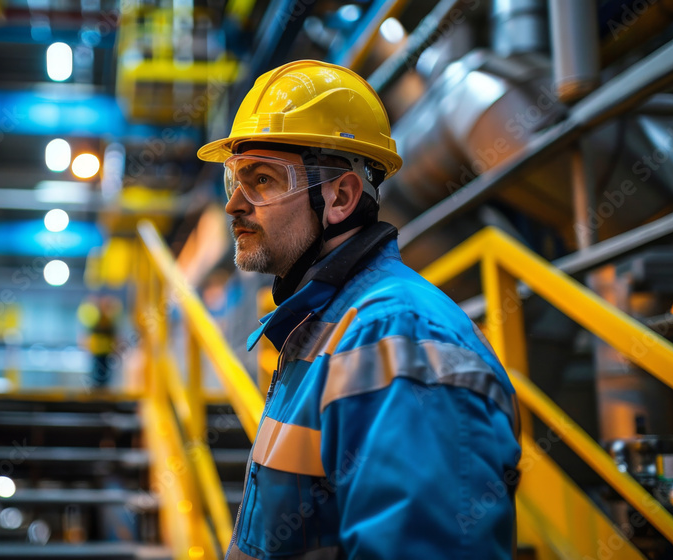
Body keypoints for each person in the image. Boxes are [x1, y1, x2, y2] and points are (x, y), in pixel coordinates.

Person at [197, 60, 521, 559]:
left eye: (262, 179)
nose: (234, 204)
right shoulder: (324, 328)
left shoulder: (397, 341)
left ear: (341, 197)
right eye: (233, 180)